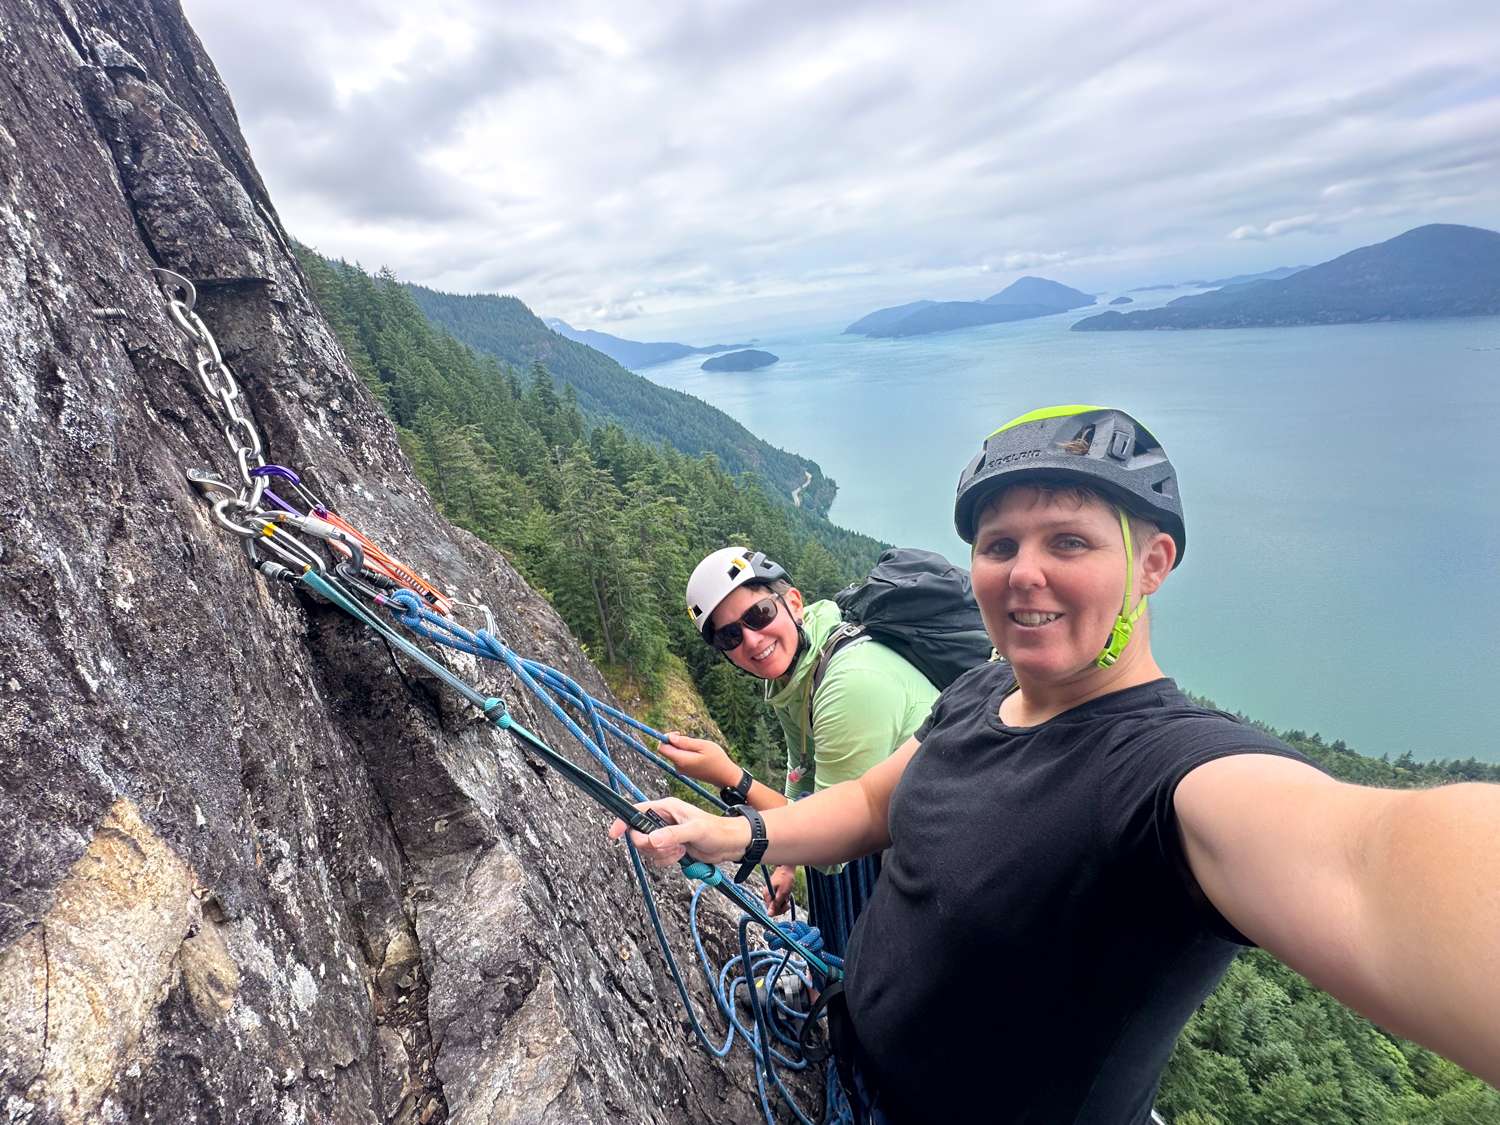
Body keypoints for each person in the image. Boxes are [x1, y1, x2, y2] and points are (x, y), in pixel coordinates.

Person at [614, 405, 1500, 1122]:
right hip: (848, 1072)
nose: (1022, 573)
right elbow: (877, 803)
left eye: (1068, 542)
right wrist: (736, 832)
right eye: (998, 545)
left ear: (1152, 562)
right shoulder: (983, 689)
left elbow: (1371, 861)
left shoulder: (1171, 776)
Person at [663, 547, 939, 941]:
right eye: (731, 635)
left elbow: (835, 842)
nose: (753, 641)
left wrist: (732, 777)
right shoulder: (794, 675)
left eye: (758, 615)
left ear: (792, 602)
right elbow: (802, 770)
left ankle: (847, 986)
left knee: (837, 873)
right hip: (900, 827)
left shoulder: (849, 683)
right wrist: (787, 865)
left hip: (933, 848)